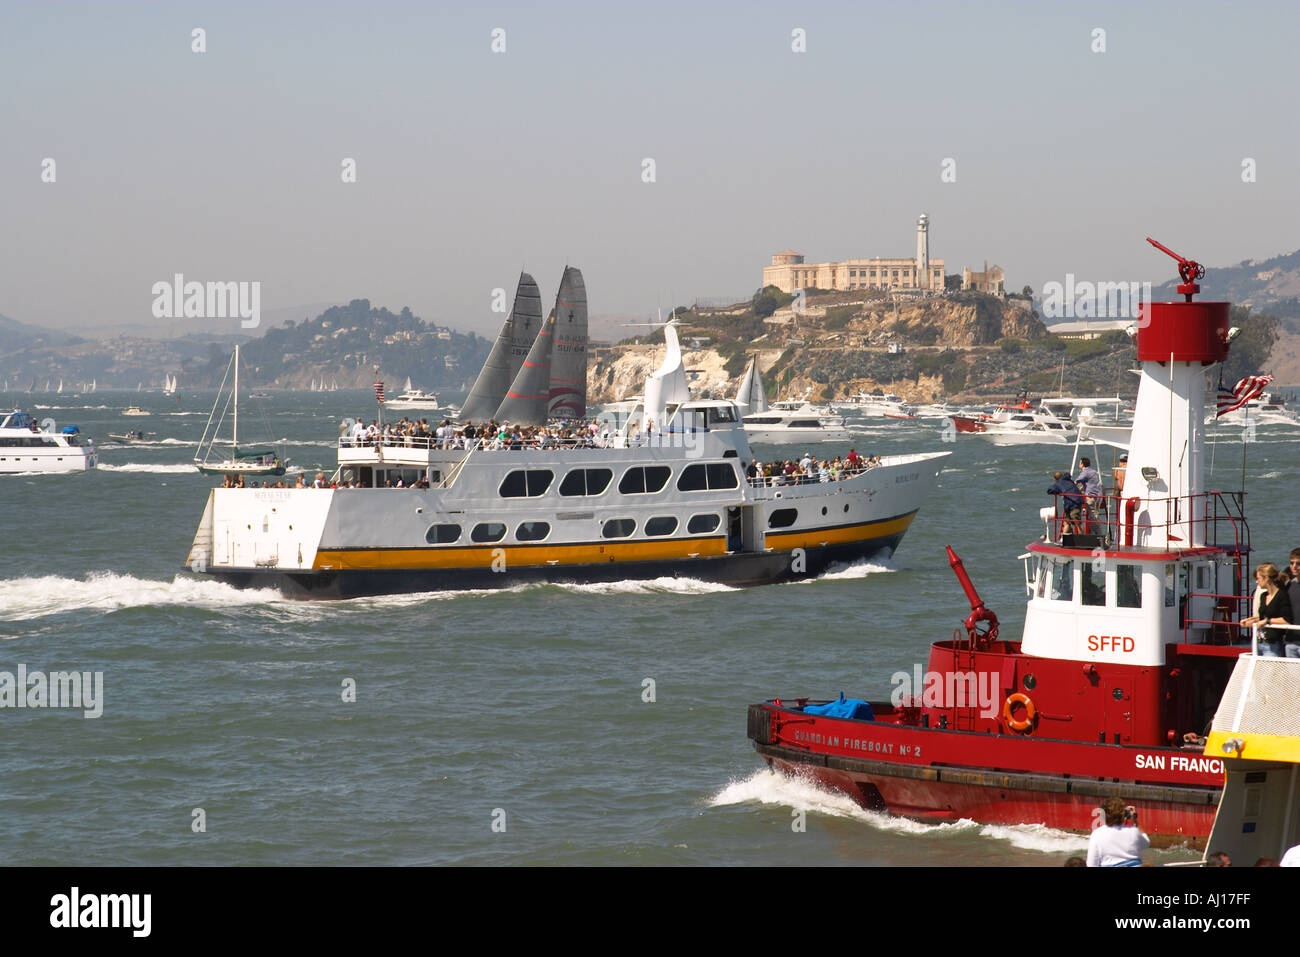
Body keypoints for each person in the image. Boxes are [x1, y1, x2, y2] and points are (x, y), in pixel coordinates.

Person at [1240, 562, 1294, 656]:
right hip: (1258, 641)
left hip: (1272, 643)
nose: (1256, 582)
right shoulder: (1263, 596)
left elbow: (1286, 620)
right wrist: (1250, 620)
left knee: (1273, 670)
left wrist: (1266, 621)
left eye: (1258, 578)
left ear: (1266, 578)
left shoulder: (1282, 596)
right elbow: (1263, 616)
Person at [1086, 797, 1149, 867]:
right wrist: (1134, 820)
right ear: (1124, 814)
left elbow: (1091, 864)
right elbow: (1146, 843)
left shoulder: (1097, 834)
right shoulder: (1134, 831)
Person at [1047, 471, 1085, 535]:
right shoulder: (1069, 480)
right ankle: (1064, 538)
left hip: (1073, 503)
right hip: (1074, 502)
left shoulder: (1059, 483)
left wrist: (1057, 491)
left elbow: (1050, 490)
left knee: (1077, 522)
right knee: (1066, 522)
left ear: (1055, 479)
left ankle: (1082, 538)